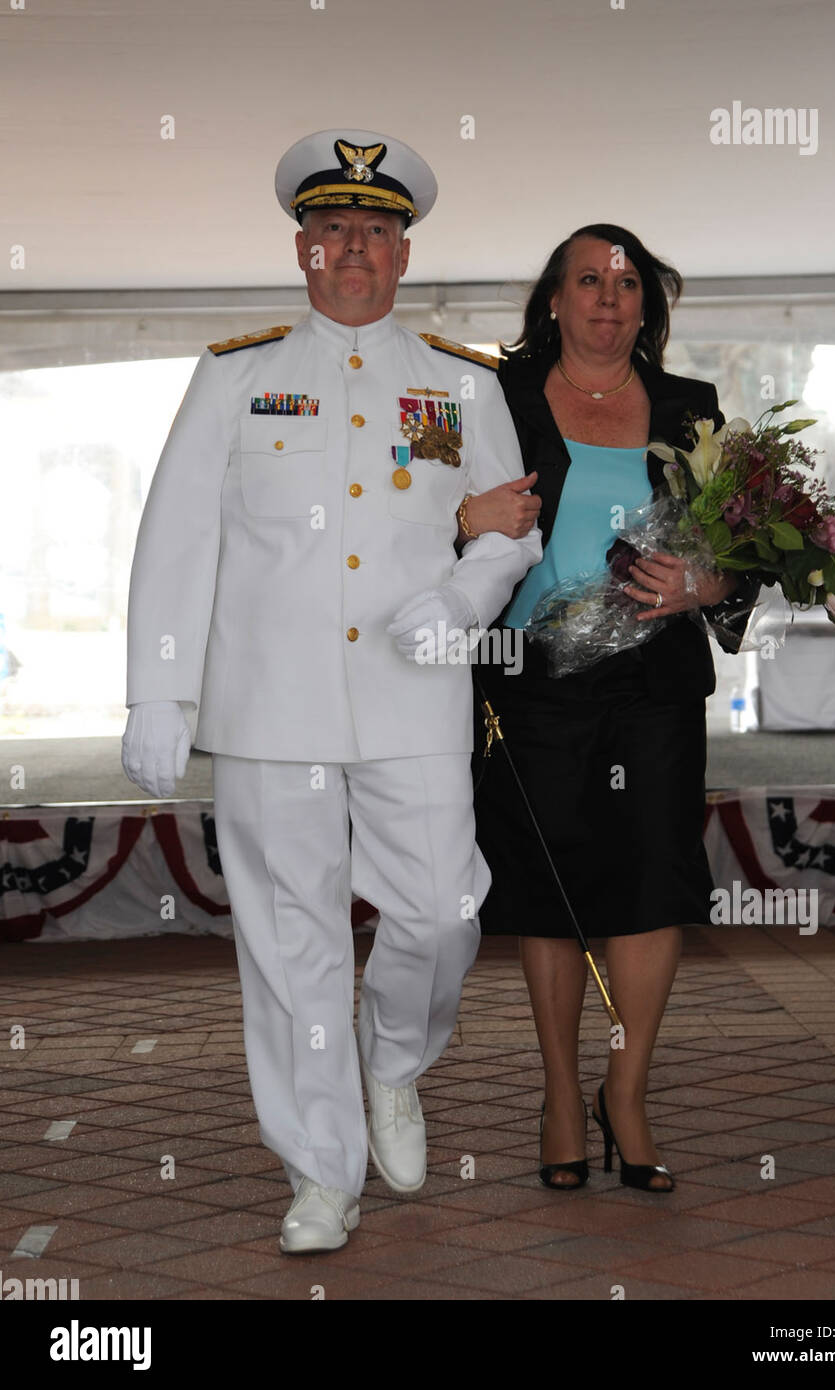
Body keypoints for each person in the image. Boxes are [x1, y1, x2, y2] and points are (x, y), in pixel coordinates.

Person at [121, 128, 541, 1252]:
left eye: (377, 231)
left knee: (444, 910)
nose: (354, 248)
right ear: (302, 248)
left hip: (415, 691)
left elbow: (508, 527)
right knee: (290, 939)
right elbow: (176, 540)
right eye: (333, 229)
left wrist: (458, 601)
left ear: (405, 255)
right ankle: (320, 1171)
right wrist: (158, 692)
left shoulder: (461, 381)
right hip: (269, 707)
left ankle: (392, 1060)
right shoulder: (235, 376)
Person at [457, 224, 756, 1193]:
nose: (607, 297)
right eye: (587, 279)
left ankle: (625, 1091)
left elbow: (740, 553)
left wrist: (703, 587)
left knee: (653, 881)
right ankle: (557, 1092)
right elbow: (428, 511)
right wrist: (458, 521)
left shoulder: (689, 409)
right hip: (532, 681)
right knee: (550, 887)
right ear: (553, 298)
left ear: (646, 306)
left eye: (626, 283)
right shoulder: (495, 399)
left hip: (655, 684)